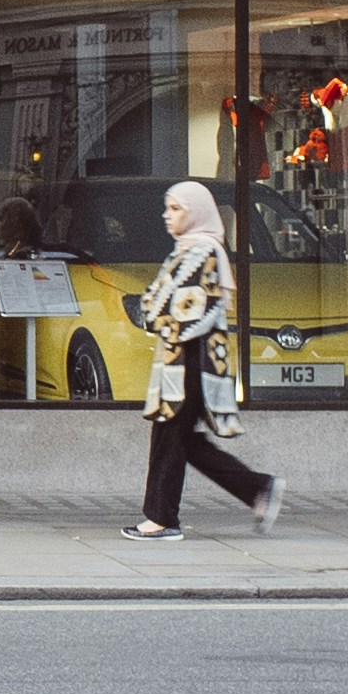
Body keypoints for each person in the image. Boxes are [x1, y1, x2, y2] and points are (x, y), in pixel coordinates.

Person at [126, 177, 284, 546]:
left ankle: (162, 519)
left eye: (176, 208)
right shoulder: (188, 250)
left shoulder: (202, 252)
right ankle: (259, 488)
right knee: (183, 441)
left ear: (195, 213)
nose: (167, 215)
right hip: (183, 360)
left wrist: (152, 314)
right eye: (168, 207)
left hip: (190, 362)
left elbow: (180, 311)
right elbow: (155, 299)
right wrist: (153, 307)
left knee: (170, 436)